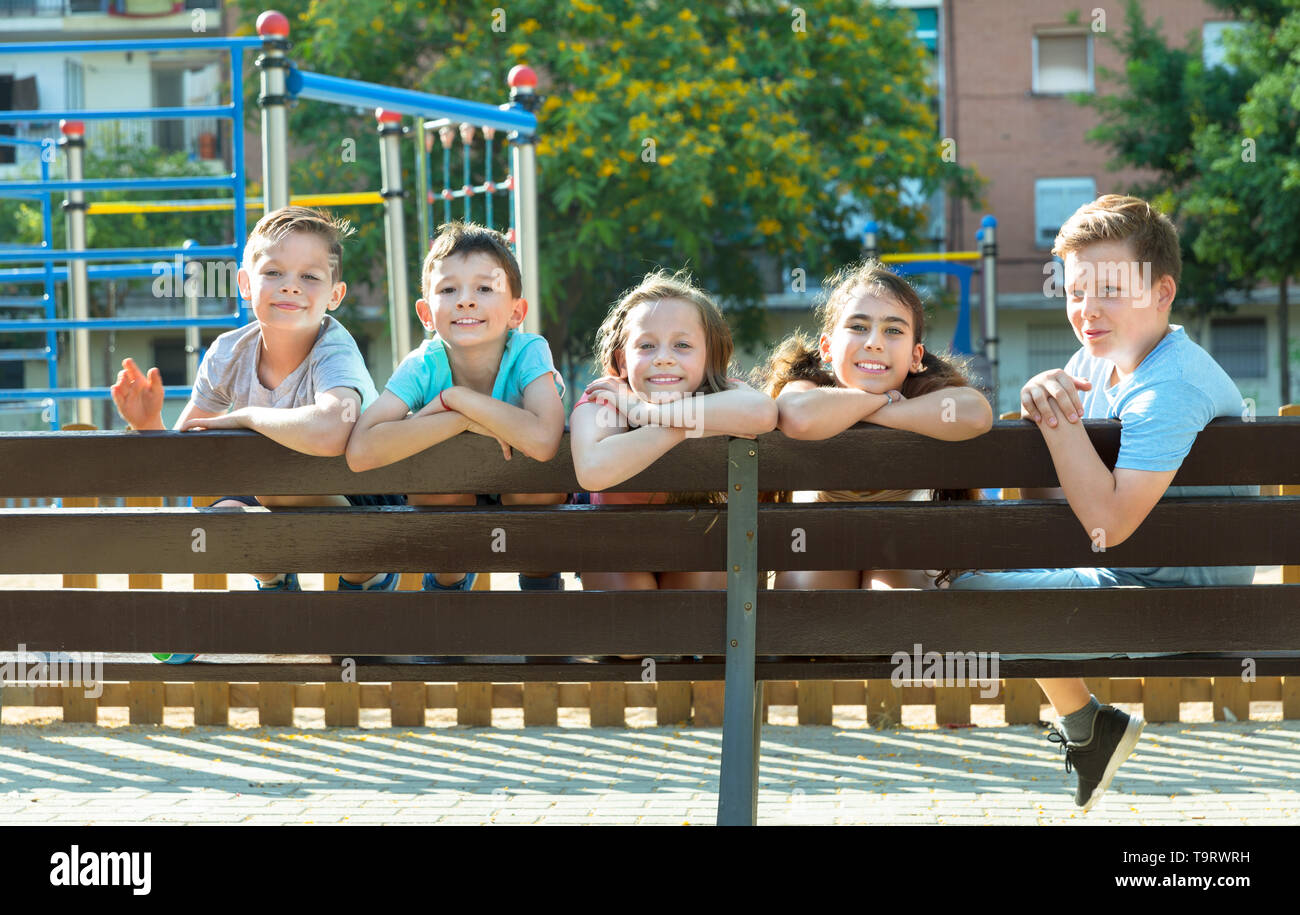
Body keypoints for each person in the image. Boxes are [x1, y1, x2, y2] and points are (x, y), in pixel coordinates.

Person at [950, 194, 1257, 811]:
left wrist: (1055, 421)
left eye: (1111, 289)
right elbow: (1062, 506)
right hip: (1132, 573)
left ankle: (1088, 726)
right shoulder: (1097, 361)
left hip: (1180, 600)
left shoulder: (1170, 383)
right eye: (1075, 291)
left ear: (1162, 291)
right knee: (957, 568)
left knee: (952, 594)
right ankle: (1089, 728)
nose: (1087, 310)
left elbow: (1107, 523)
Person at [111, 206, 399, 662]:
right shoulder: (229, 351)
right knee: (223, 504)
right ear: (245, 284)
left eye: (310, 277)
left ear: (335, 294)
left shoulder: (334, 348)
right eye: (273, 272)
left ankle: (366, 576)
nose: (290, 285)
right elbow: (193, 463)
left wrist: (244, 417)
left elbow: (329, 432)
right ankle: (273, 582)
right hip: (279, 496)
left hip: (360, 503)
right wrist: (150, 427)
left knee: (270, 475)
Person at [346, 221, 567, 593]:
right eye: (448, 290)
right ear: (426, 314)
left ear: (517, 311)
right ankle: (448, 589)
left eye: (485, 288)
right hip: (453, 490)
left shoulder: (529, 351)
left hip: (520, 488)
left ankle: (540, 590)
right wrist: (463, 419)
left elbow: (544, 440)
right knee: (437, 485)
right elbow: (360, 451)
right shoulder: (423, 364)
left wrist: (456, 398)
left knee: (537, 487)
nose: (466, 300)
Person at [758, 259, 992, 591]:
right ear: (826, 348)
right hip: (819, 548)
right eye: (858, 327)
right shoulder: (809, 383)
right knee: (819, 573)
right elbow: (797, 415)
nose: (874, 342)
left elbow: (976, 414)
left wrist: (871, 410)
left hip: (898, 548)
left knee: (895, 578)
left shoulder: (921, 390)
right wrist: (879, 401)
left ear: (915, 357)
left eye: (893, 330)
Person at [570, 268, 778, 597]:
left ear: (709, 356)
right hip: (619, 553)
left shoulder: (723, 393)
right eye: (647, 346)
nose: (664, 358)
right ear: (623, 361)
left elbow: (764, 414)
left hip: (693, 550)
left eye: (682, 345)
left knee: (698, 596)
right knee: (636, 632)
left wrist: (648, 414)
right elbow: (593, 469)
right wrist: (683, 429)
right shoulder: (605, 397)